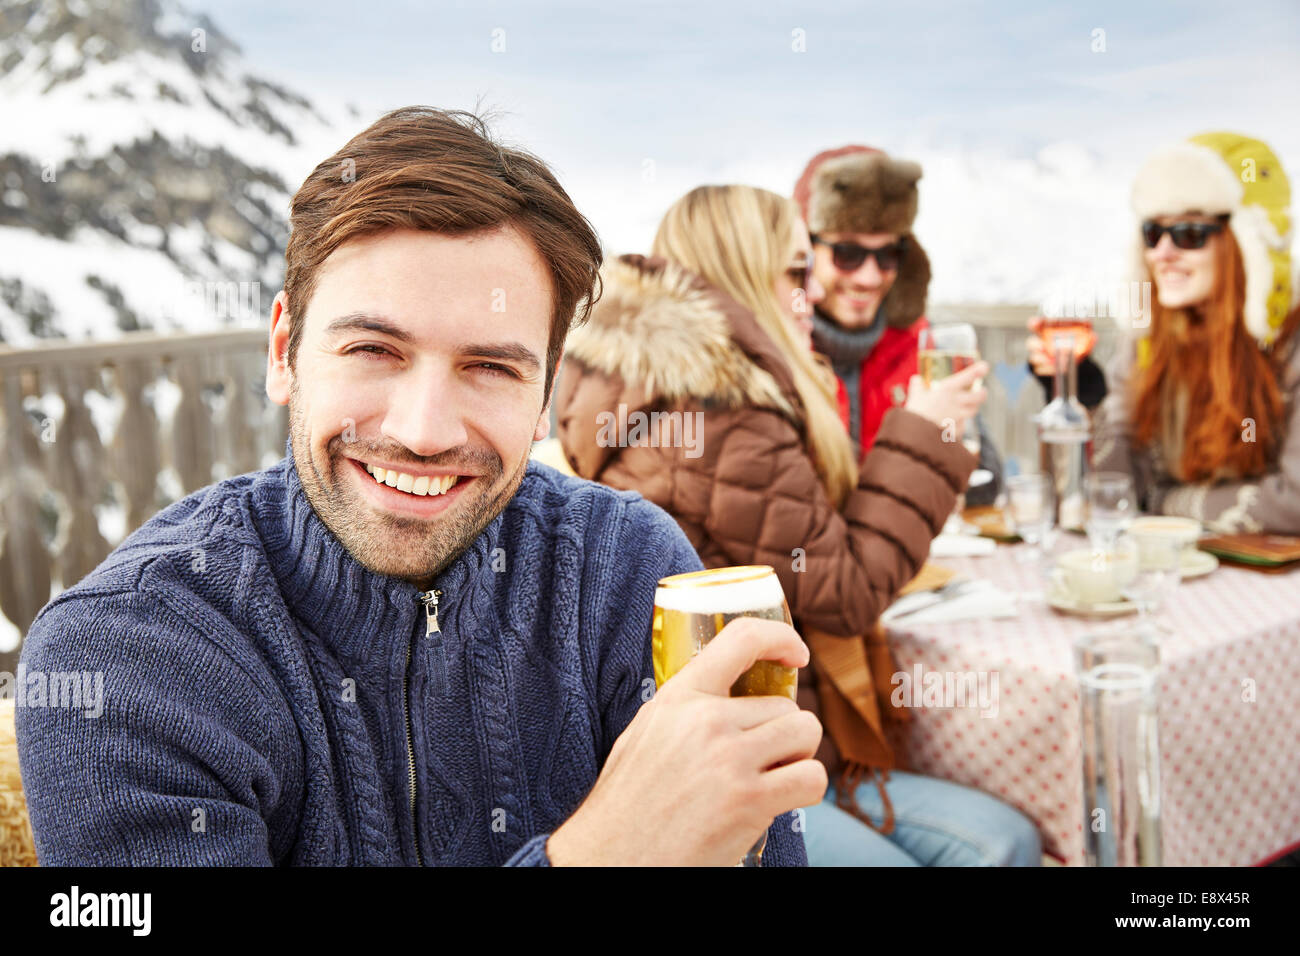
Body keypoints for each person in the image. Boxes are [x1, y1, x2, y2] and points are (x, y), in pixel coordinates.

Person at [13, 108, 825, 866]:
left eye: (490, 367)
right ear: (283, 353)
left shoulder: (624, 569)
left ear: (544, 398)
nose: (426, 429)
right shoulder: (129, 655)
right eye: (374, 349)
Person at [554, 184, 1042, 866]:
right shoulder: (722, 414)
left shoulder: (669, 389)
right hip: (739, 752)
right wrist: (928, 435)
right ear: (747, 273)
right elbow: (843, 592)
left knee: (1005, 840)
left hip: (778, 731)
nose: (809, 292)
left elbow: (807, 550)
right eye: (795, 271)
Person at [1092, 132, 1300, 533]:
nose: (1163, 254)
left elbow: (1294, 503)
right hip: (1184, 578)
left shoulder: (1290, 342)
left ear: (1245, 245)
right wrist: (1082, 401)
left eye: (1190, 234)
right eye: (1153, 233)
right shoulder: (1148, 342)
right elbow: (1114, 493)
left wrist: (1168, 502)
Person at [793, 145, 1005, 506]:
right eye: (848, 254)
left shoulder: (920, 345)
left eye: (888, 255)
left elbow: (982, 486)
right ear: (805, 253)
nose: (869, 277)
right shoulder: (778, 354)